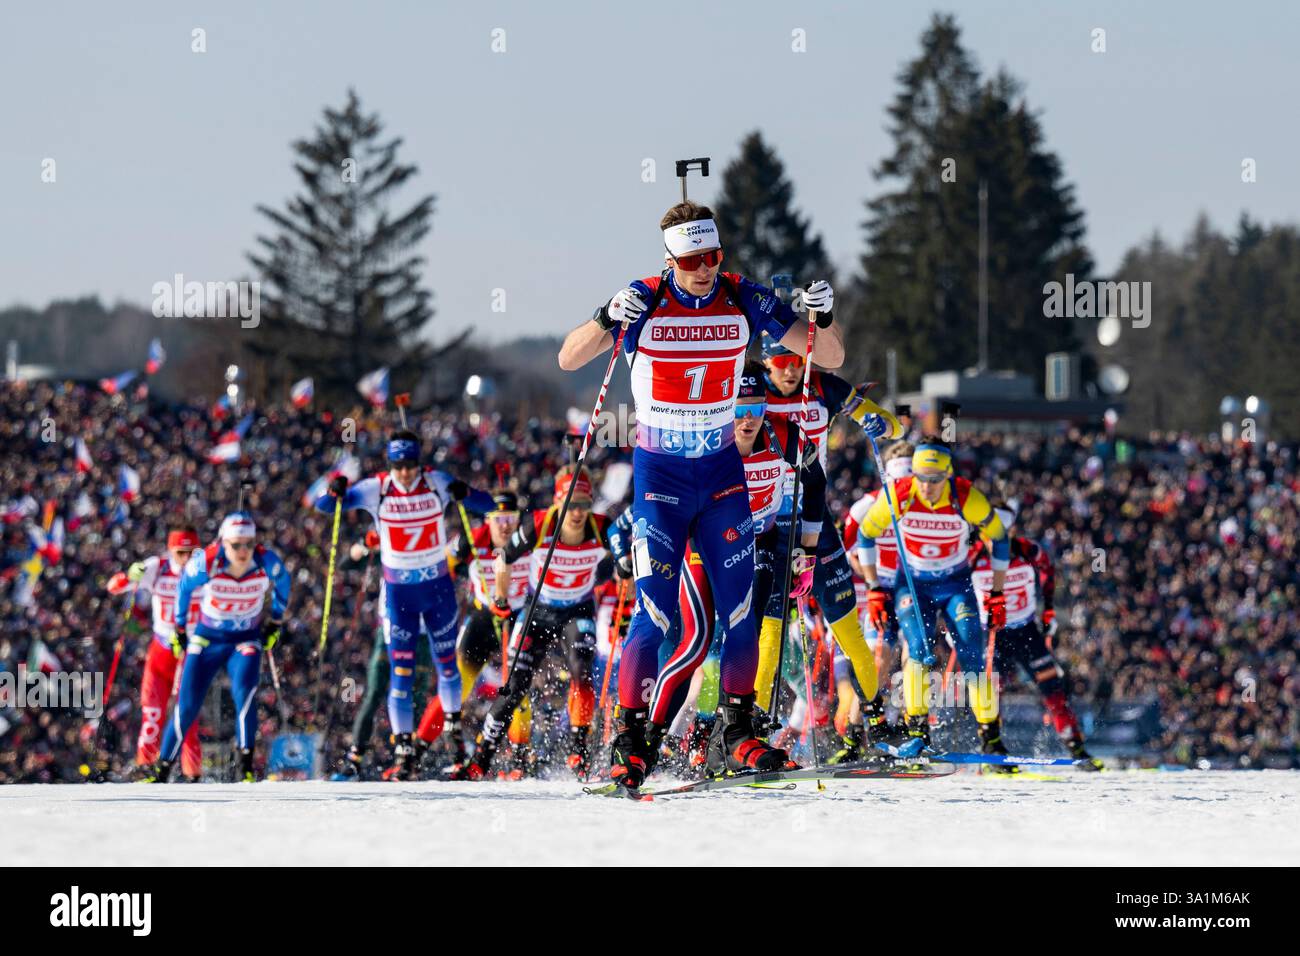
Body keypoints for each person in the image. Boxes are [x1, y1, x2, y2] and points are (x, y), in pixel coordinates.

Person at [557, 199, 846, 790]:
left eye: (713, 256)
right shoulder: (643, 299)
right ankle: (631, 740)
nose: (705, 269)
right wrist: (606, 316)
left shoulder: (742, 296)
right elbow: (569, 357)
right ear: (670, 258)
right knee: (656, 614)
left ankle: (740, 731)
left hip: (720, 476)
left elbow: (832, 354)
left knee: (741, 611)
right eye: (692, 259)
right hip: (660, 477)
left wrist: (822, 315)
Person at [645, 363, 824, 776]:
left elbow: (815, 483)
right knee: (696, 643)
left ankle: (729, 739)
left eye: (756, 407)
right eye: (738, 409)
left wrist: (807, 551)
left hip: (757, 545)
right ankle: (645, 741)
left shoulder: (784, 437)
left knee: (748, 631)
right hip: (704, 549)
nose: (747, 419)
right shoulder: (708, 443)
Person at [756, 337, 907, 762]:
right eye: (781, 363)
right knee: (769, 632)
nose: (791, 370)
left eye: (797, 361)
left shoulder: (823, 386)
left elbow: (893, 427)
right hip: (768, 526)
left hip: (817, 524)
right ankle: (749, 730)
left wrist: (882, 425)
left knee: (850, 633)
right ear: (767, 364)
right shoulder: (750, 389)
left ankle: (875, 723)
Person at [315, 430, 494, 780]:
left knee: (447, 666)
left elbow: (486, 505)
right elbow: (326, 506)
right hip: (399, 596)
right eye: (399, 466)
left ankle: (455, 740)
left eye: (411, 465)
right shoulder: (376, 488)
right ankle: (405, 753)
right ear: (390, 464)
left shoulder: (437, 482)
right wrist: (334, 487)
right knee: (401, 674)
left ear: (420, 463)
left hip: (438, 590)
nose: (406, 473)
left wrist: (465, 492)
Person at [855, 439, 1012, 766]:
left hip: (954, 584)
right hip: (913, 584)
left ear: (948, 474)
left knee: (971, 653)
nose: (926, 487)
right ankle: (917, 735)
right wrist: (872, 587)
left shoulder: (965, 495)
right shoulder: (900, 493)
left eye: (934, 479)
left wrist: (997, 593)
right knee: (921, 650)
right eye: (921, 477)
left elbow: (999, 537)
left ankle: (992, 739)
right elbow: (865, 534)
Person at [466, 466, 621, 779]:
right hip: (537, 611)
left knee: (581, 669)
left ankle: (578, 750)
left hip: (576, 611)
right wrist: (499, 597)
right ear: (557, 504)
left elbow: (626, 559)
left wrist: (626, 591)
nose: (576, 513)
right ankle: (481, 757)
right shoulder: (540, 523)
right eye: (570, 505)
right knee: (514, 687)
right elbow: (504, 559)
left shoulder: (601, 526)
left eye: (583, 504)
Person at [147, 512, 291, 782]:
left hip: (245, 638)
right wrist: (179, 629)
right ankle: (161, 769)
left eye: (248, 544)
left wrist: (276, 620)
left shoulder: (265, 561)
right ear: (224, 543)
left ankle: (246, 768)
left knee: (244, 694)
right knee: (187, 704)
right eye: (236, 545)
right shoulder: (207, 561)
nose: (243, 551)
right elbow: (183, 588)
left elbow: (284, 582)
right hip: (208, 637)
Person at [969, 508, 1103, 770]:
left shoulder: (1027, 550)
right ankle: (990, 748)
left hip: (1025, 630)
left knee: (1052, 689)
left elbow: (1047, 572)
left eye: (1005, 534)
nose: (998, 540)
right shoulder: (973, 555)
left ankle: (1077, 750)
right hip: (993, 632)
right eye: (993, 534)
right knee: (990, 690)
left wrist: (1049, 609)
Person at [414, 487, 532, 778]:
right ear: (488, 520)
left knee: (517, 689)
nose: (505, 525)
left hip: (516, 616)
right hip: (483, 618)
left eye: (511, 518)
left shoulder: (529, 538)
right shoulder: (472, 538)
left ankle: (519, 760)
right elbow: (443, 564)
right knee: (455, 687)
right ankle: (415, 752)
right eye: (498, 518)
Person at [836, 440, 914, 761]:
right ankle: (853, 741)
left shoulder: (922, 503)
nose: (903, 488)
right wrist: (870, 580)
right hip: (879, 588)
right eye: (897, 481)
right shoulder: (866, 506)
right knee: (875, 661)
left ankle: (914, 731)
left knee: (915, 656)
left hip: (911, 589)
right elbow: (847, 547)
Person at [116, 526, 204, 780]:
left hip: (191, 649)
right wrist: (129, 576)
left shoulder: (206, 569)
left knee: (187, 714)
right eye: (181, 552)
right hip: (163, 647)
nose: (187, 558)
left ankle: (192, 773)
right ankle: (146, 766)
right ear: (170, 550)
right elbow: (114, 587)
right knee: (152, 710)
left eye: (192, 552)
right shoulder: (158, 567)